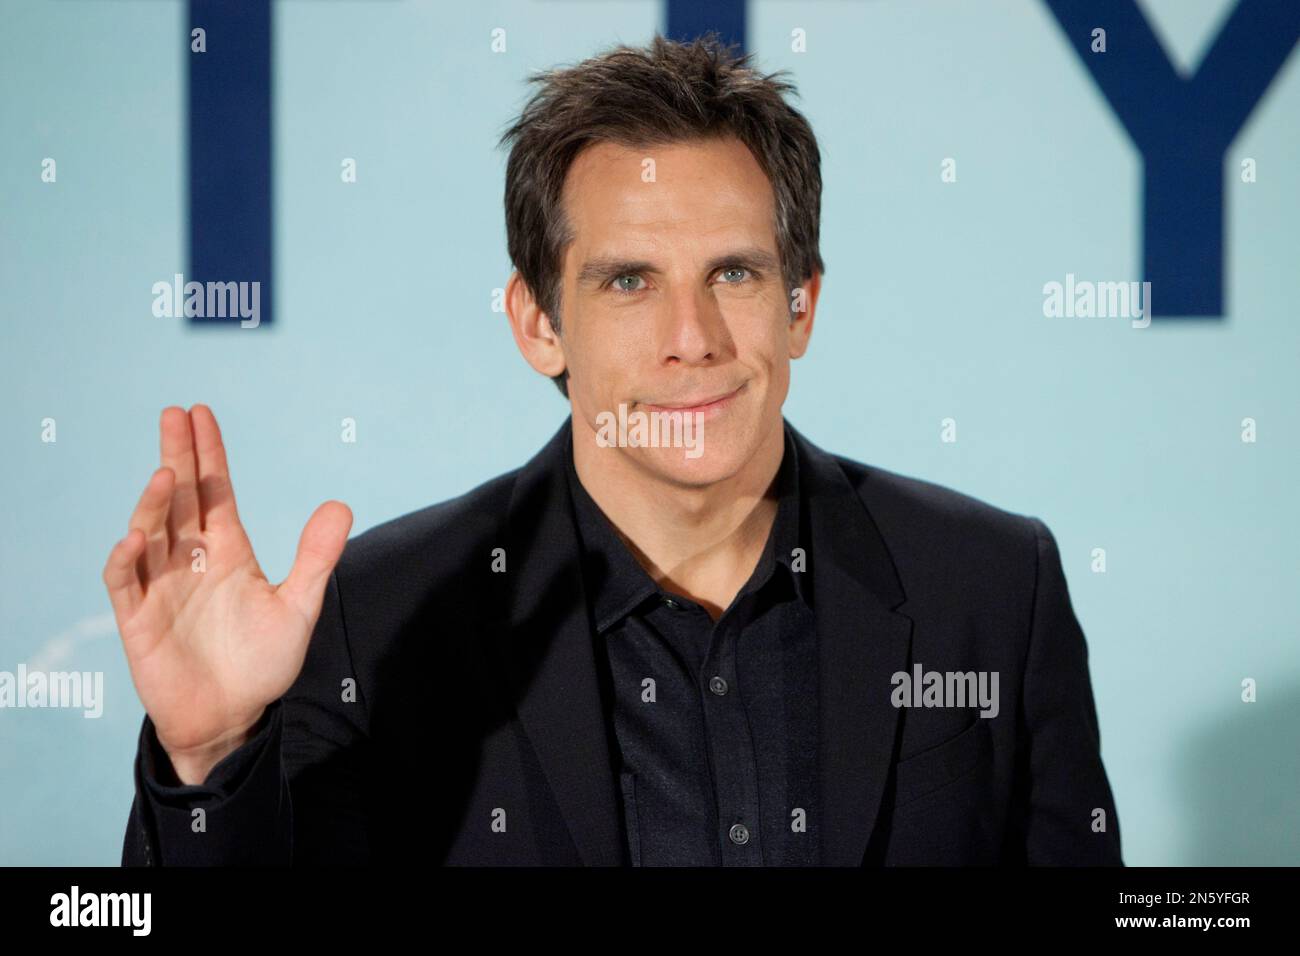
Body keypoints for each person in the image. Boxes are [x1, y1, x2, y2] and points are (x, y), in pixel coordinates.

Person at [105, 34, 1121, 866]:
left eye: (733, 272)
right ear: (538, 323)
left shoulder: (989, 585)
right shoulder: (382, 619)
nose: (694, 337)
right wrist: (210, 757)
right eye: (629, 280)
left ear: (800, 305)